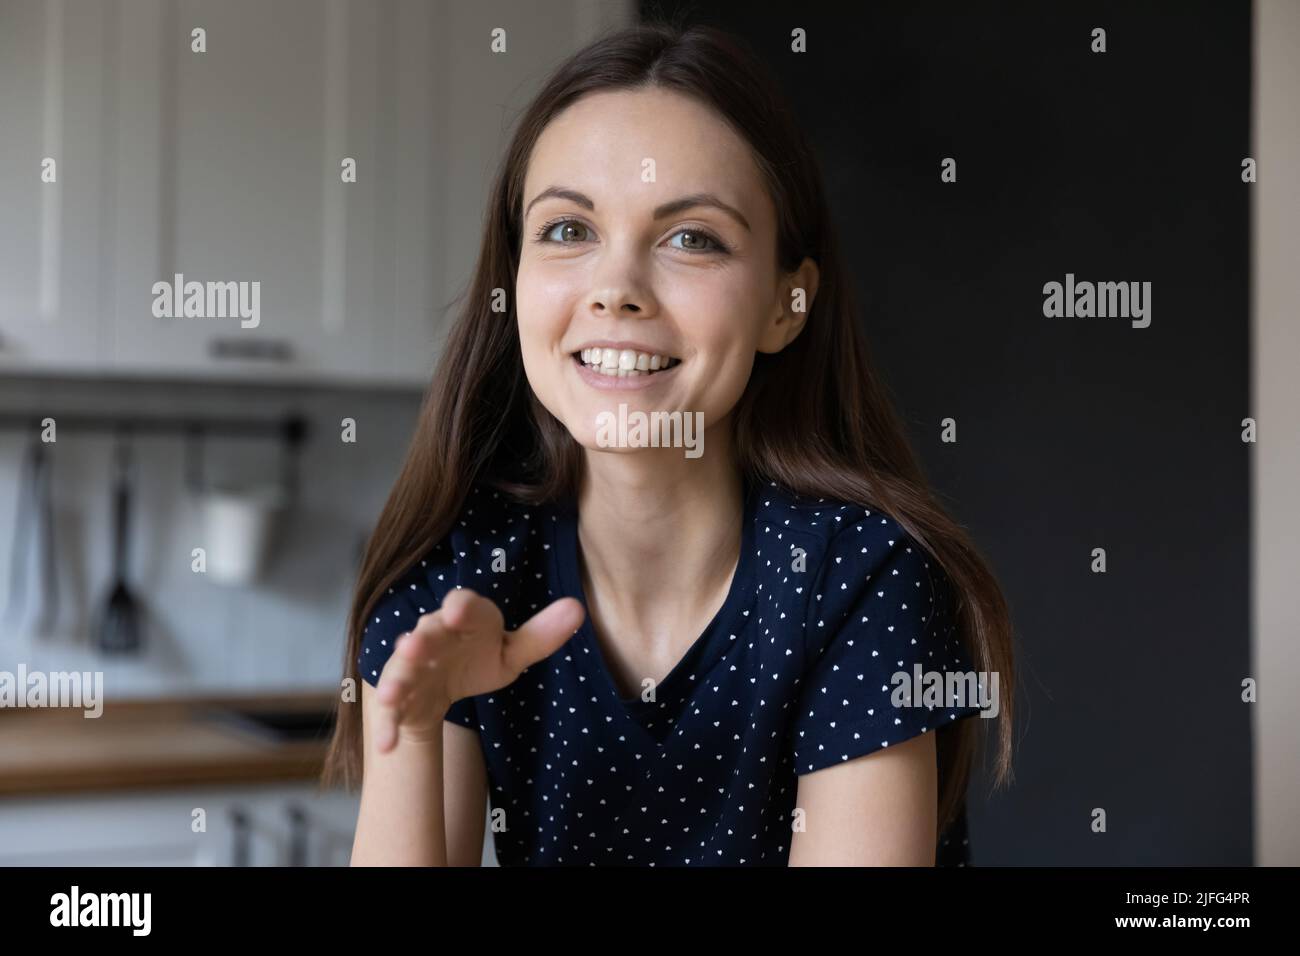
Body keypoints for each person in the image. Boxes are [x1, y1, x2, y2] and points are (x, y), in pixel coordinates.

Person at [325, 21, 1014, 867]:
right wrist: (412, 733)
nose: (616, 290)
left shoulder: (862, 579)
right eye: (568, 231)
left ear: (783, 305)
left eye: (692, 238)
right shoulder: (458, 575)